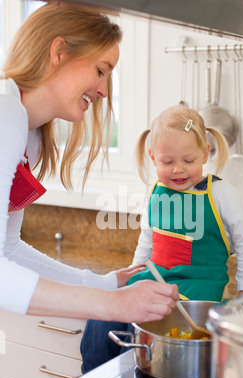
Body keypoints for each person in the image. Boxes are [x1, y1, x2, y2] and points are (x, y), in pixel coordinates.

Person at [0, 4, 178, 327]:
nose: (105, 91)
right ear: (59, 53)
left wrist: (103, 282)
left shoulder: (29, 135)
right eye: (100, 70)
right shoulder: (5, 113)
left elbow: (8, 249)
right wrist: (112, 304)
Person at [80, 105, 243, 372]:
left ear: (205, 153)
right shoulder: (155, 192)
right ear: (153, 158)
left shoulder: (221, 194)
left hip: (197, 288)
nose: (178, 170)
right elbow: (147, 238)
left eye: (188, 161)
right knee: (103, 311)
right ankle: (93, 375)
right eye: (168, 162)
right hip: (155, 279)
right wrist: (132, 274)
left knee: (140, 321)